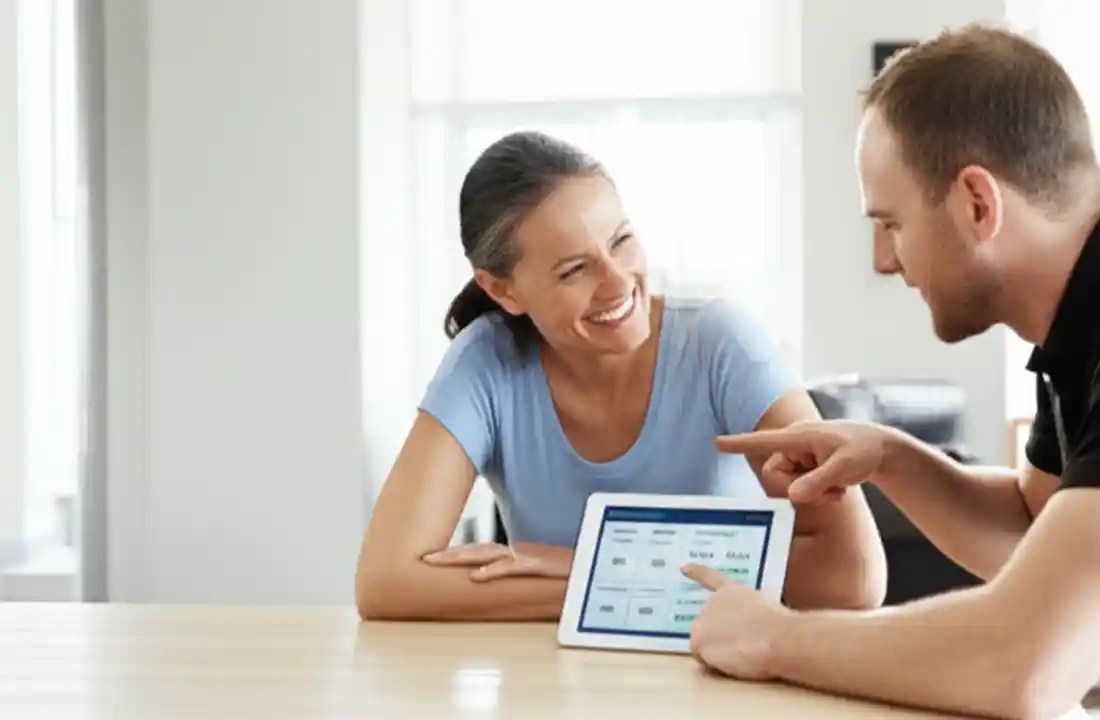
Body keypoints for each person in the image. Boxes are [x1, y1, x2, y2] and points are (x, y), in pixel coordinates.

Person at [680, 24, 1100, 720]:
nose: (884, 259)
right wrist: (887, 457)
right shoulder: (1099, 317)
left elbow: (1026, 666)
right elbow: (1036, 533)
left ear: (977, 203)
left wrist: (775, 638)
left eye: (891, 223)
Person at [355, 131, 887, 621]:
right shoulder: (487, 362)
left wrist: (585, 567)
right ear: (503, 290)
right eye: (573, 270)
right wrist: (611, 581)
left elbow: (854, 580)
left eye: (620, 240)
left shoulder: (720, 343)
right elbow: (386, 582)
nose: (617, 284)